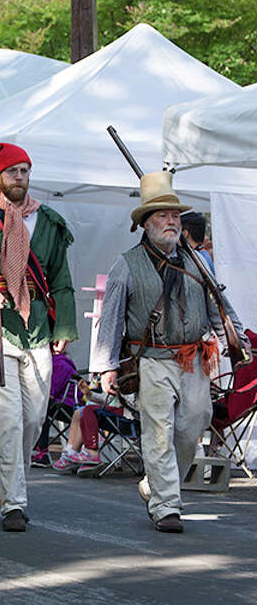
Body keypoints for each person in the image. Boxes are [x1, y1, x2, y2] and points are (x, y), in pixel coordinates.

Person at [91, 171, 249, 533]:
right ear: (145, 224)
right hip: (151, 360)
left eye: (175, 215)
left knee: (192, 428)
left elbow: (218, 305)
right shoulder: (126, 265)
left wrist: (235, 340)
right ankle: (166, 506)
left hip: (194, 358)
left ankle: (156, 484)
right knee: (158, 432)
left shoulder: (197, 261)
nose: (172, 221)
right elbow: (111, 319)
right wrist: (106, 367)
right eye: (162, 215)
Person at [0, 142, 76, 532]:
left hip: (37, 328)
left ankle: (13, 481)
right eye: (12, 172)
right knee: (6, 418)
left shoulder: (50, 221)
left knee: (34, 418)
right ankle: (14, 503)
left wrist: (65, 328)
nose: (19, 178)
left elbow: (61, 279)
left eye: (25, 171)